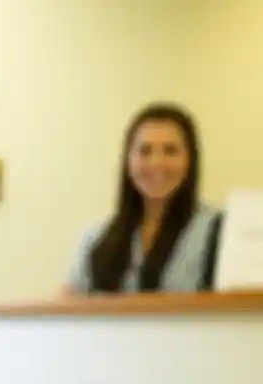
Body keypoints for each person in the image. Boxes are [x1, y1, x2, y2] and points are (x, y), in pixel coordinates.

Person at [66, 103, 223, 295]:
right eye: (145, 150)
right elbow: (69, 304)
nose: (156, 162)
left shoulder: (219, 231)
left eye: (170, 150)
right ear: (128, 161)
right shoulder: (96, 238)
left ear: (190, 160)